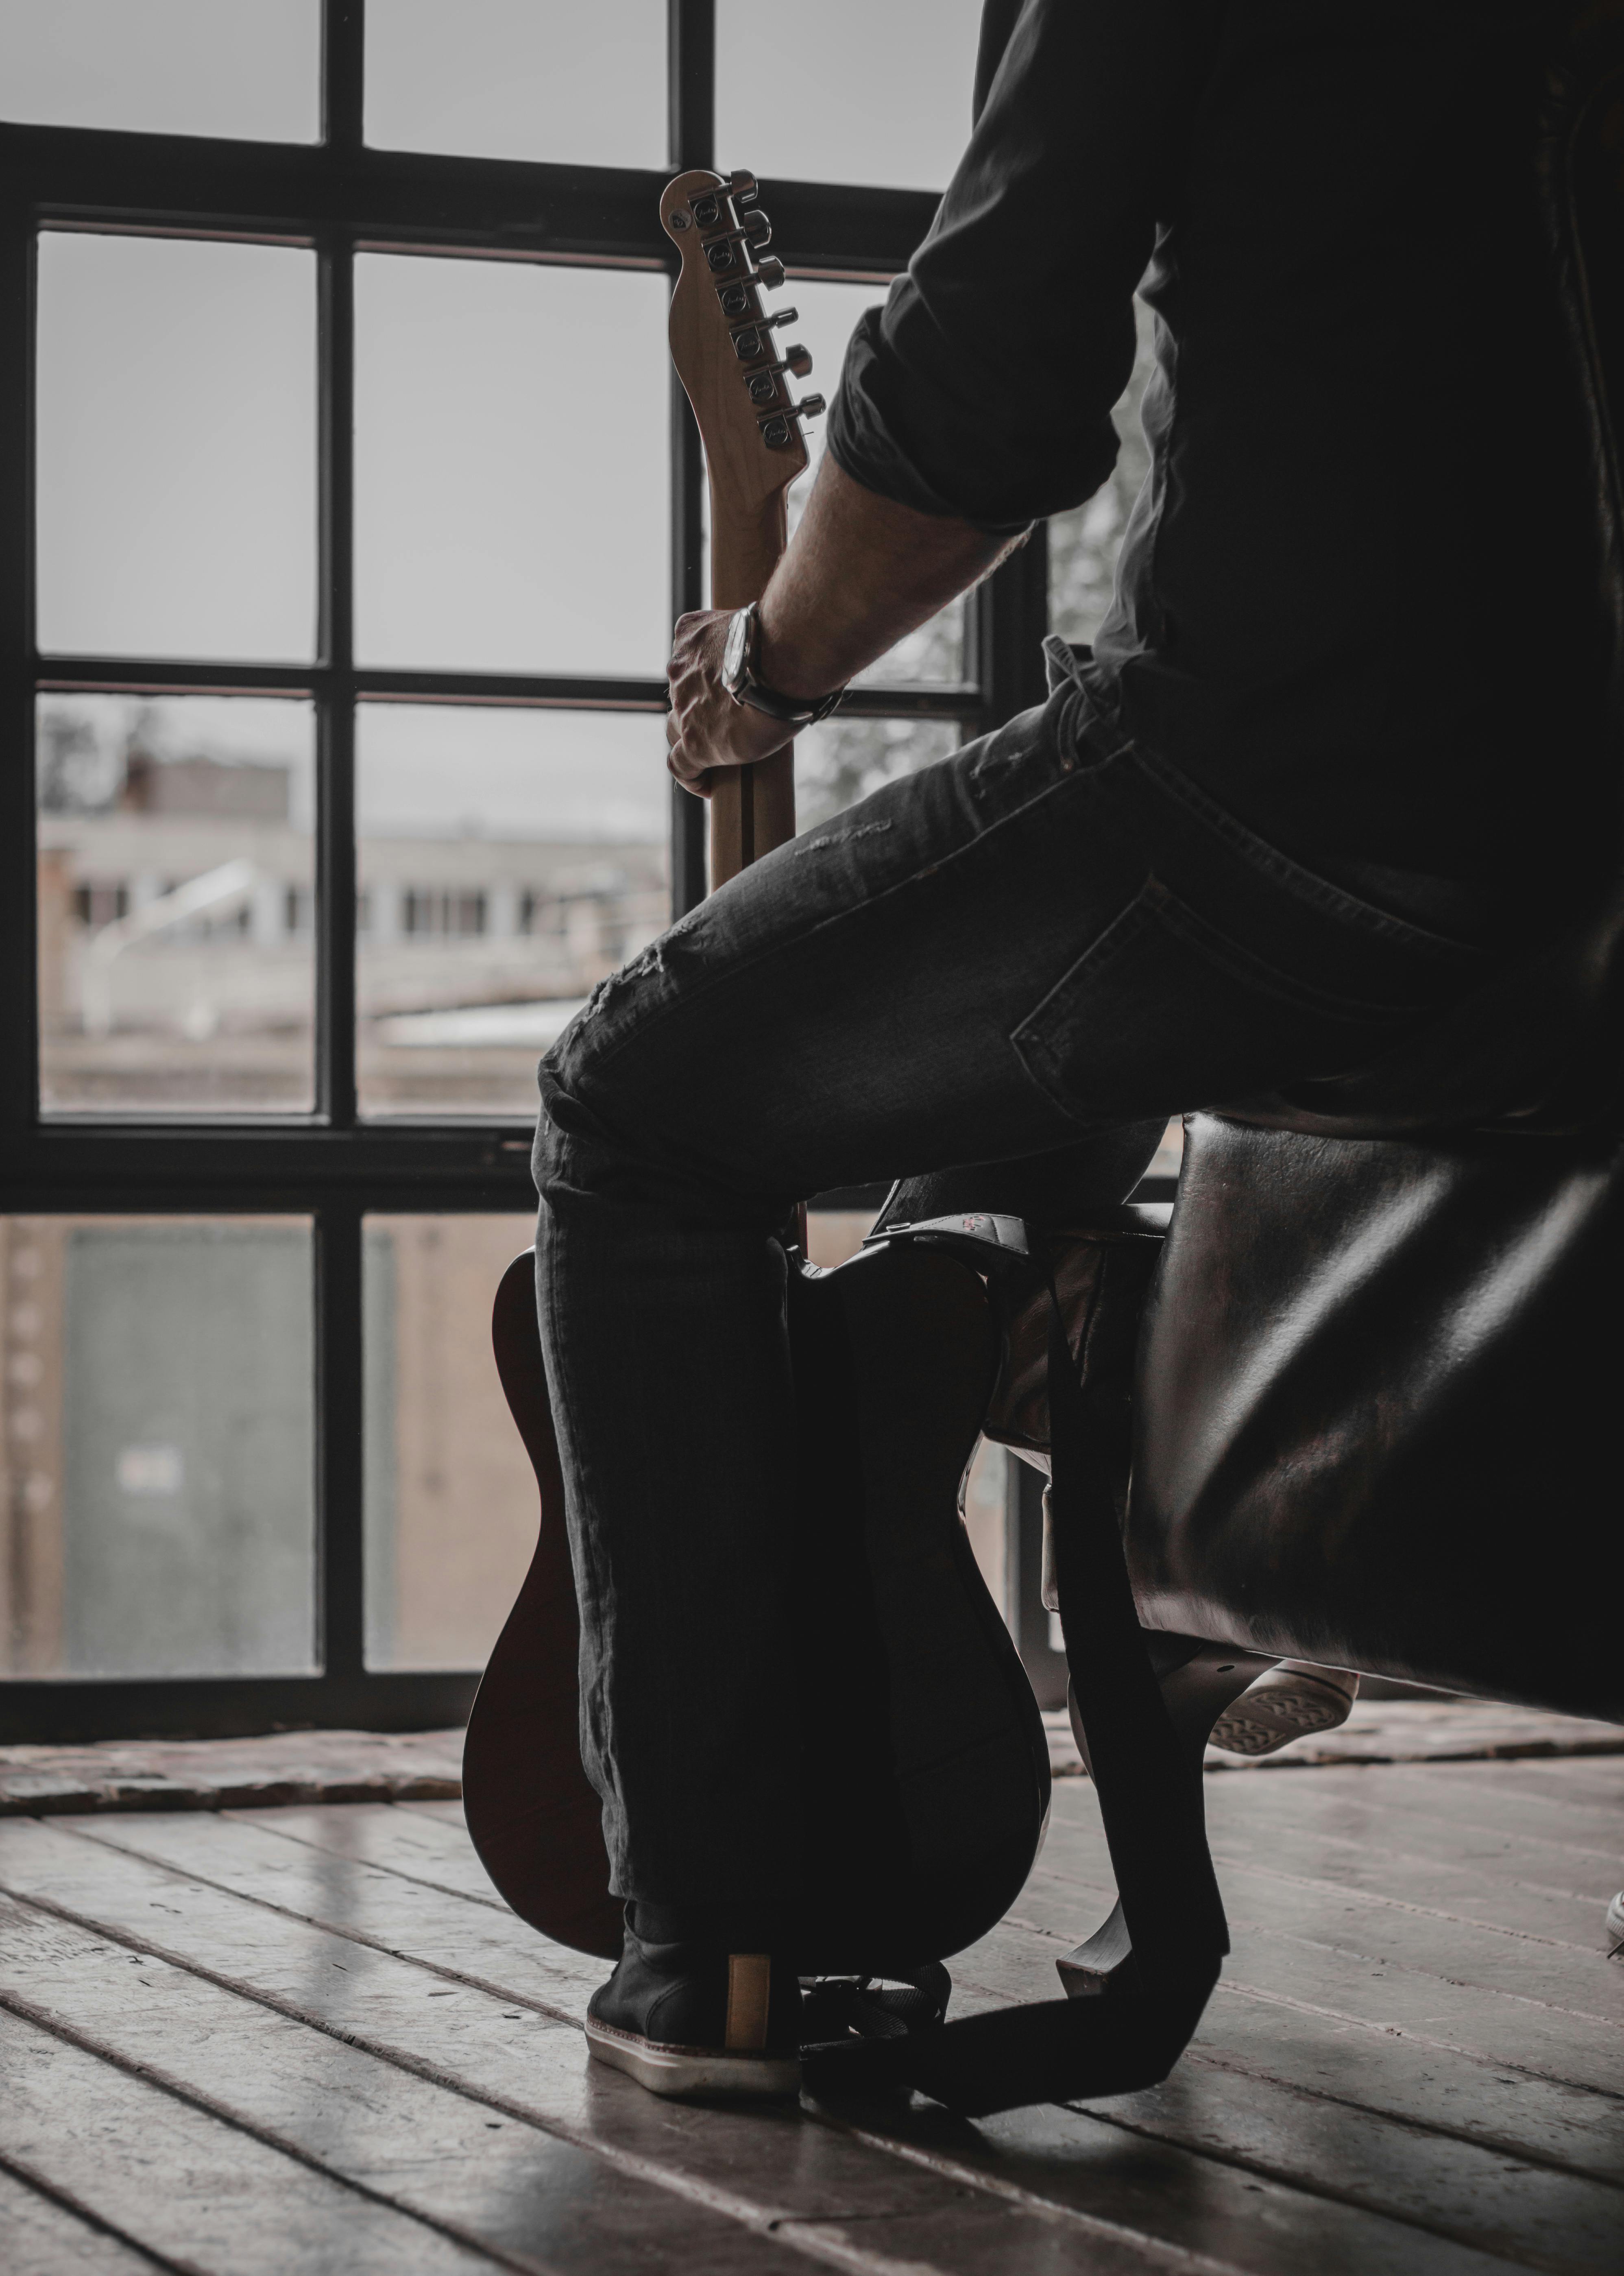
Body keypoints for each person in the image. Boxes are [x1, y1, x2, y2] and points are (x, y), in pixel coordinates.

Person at [534, 0, 1609, 2098]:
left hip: (1302, 796)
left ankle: (717, 1956)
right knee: (1017, 1093)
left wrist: (770, 661)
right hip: (1575, 853)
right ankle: (972, 1300)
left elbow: (983, 391)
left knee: (629, 1109)